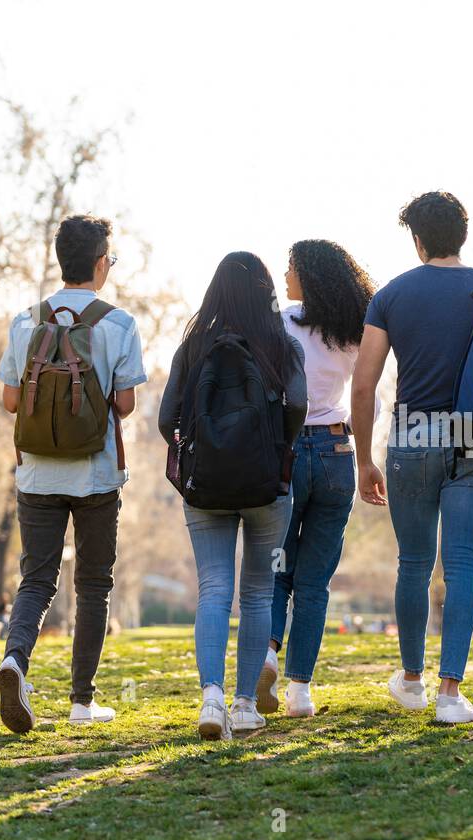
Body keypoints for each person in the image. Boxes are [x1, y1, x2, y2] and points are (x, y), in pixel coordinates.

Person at [351, 191, 473, 725]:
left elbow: (363, 386)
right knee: (463, 564)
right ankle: (451, 694)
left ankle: (411, 680)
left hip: (411, 439)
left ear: (418, 240)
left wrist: (363, 459)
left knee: (413, 564)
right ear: (463, 236)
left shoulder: (391, 296)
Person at [0, 214, 147, 733]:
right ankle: (83, 701)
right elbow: (124, 405)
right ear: (101, 263)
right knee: (94, 584)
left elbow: (12, 399)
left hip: (36, 474)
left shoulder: (24, 321)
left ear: (63, 261)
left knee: (36, 579)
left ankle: (15, 660)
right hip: (96, 476)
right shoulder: (119, 324)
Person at [159, 251, 308, 740]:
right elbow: (300, 404)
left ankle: (211, 697)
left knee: (214, 589)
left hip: (206, 487)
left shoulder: (194, 346)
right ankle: (245, 705)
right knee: (260, 591)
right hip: (267, 485)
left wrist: (193, 457)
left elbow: (166, 419)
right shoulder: (281, 345)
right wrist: (278, 449)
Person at [258, 240, 375, 720]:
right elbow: (369, 394)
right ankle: (299, 691)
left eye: (290, 267)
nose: (285, 275)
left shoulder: (281, 321)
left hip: (285, 453)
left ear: (307, 274)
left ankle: (266, 654)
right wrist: (367, 459)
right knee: (315, 581)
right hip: (335, 453)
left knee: (276, 570)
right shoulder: (355, 330)